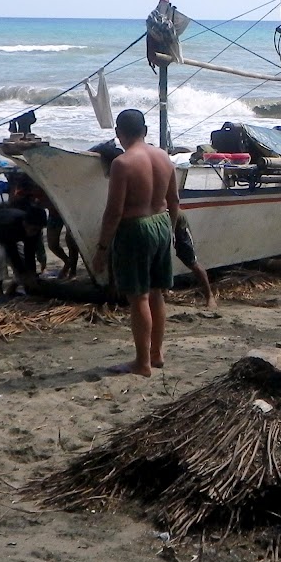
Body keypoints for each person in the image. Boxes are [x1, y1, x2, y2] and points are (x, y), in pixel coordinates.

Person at [93, 109, 179, 376]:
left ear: (119, 133)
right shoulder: (164, 156)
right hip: (162, 222)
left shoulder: (123, 163)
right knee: (156, 292)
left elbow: (114, 211)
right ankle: (156, 353)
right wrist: (170, 232)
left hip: (136, 228)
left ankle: (142, 363)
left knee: (139, 296)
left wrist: (102, 249)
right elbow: (174, 200)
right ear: (146, 129)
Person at [173, 213, 215, 308]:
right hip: (159, 222)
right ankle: (164, 291)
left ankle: (209, 296)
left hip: (177, 222)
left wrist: (172, 230)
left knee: (190, 260)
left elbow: (174, 201)